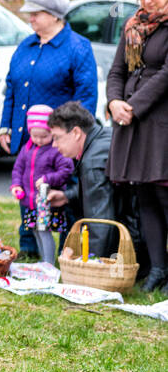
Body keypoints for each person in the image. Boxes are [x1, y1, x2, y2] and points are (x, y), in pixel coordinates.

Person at [0, 0, 98, 255]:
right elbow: (12, 88)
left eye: (36, 13)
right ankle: (29, 246)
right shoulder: (26, 45)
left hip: (59, 143)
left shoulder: (77, 47)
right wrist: (6, 126)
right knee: (28, 188)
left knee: (59, 195)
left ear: (55, 16)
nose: (30, 18)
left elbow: (86, 97)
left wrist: (72, 138)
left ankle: (68, 248)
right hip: (28, 138)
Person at [105, 0, 168, 292]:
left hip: (160, 124)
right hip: (132, 124)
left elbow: (165, 75)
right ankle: (157, 269)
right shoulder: (132, 26)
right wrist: (114, 102)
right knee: (144, 196)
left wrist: (133, 106)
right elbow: (117, 71)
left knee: (164, 196)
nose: (146, 1)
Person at [47, 101, 149, 282]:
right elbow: (106, 192)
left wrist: (91, 265)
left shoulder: (93, 162)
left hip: (137, 244)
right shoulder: (103, 137)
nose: (54, 145)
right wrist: (67, 196)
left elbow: (101, 221)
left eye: (56, 137)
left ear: (76, 133)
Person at [10, 104, 74, 266]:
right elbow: (18, 168)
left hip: (46, 202)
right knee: (35, 230)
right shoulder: (27, 149)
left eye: (44, 136)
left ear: (51, 132)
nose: (39, 140)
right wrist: (16, 185)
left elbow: (66, 169)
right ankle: (42, 259)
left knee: (44, 231)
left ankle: (49, 262)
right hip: (30, 202)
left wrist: (48, 179)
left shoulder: (55, 150)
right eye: (34, 135)